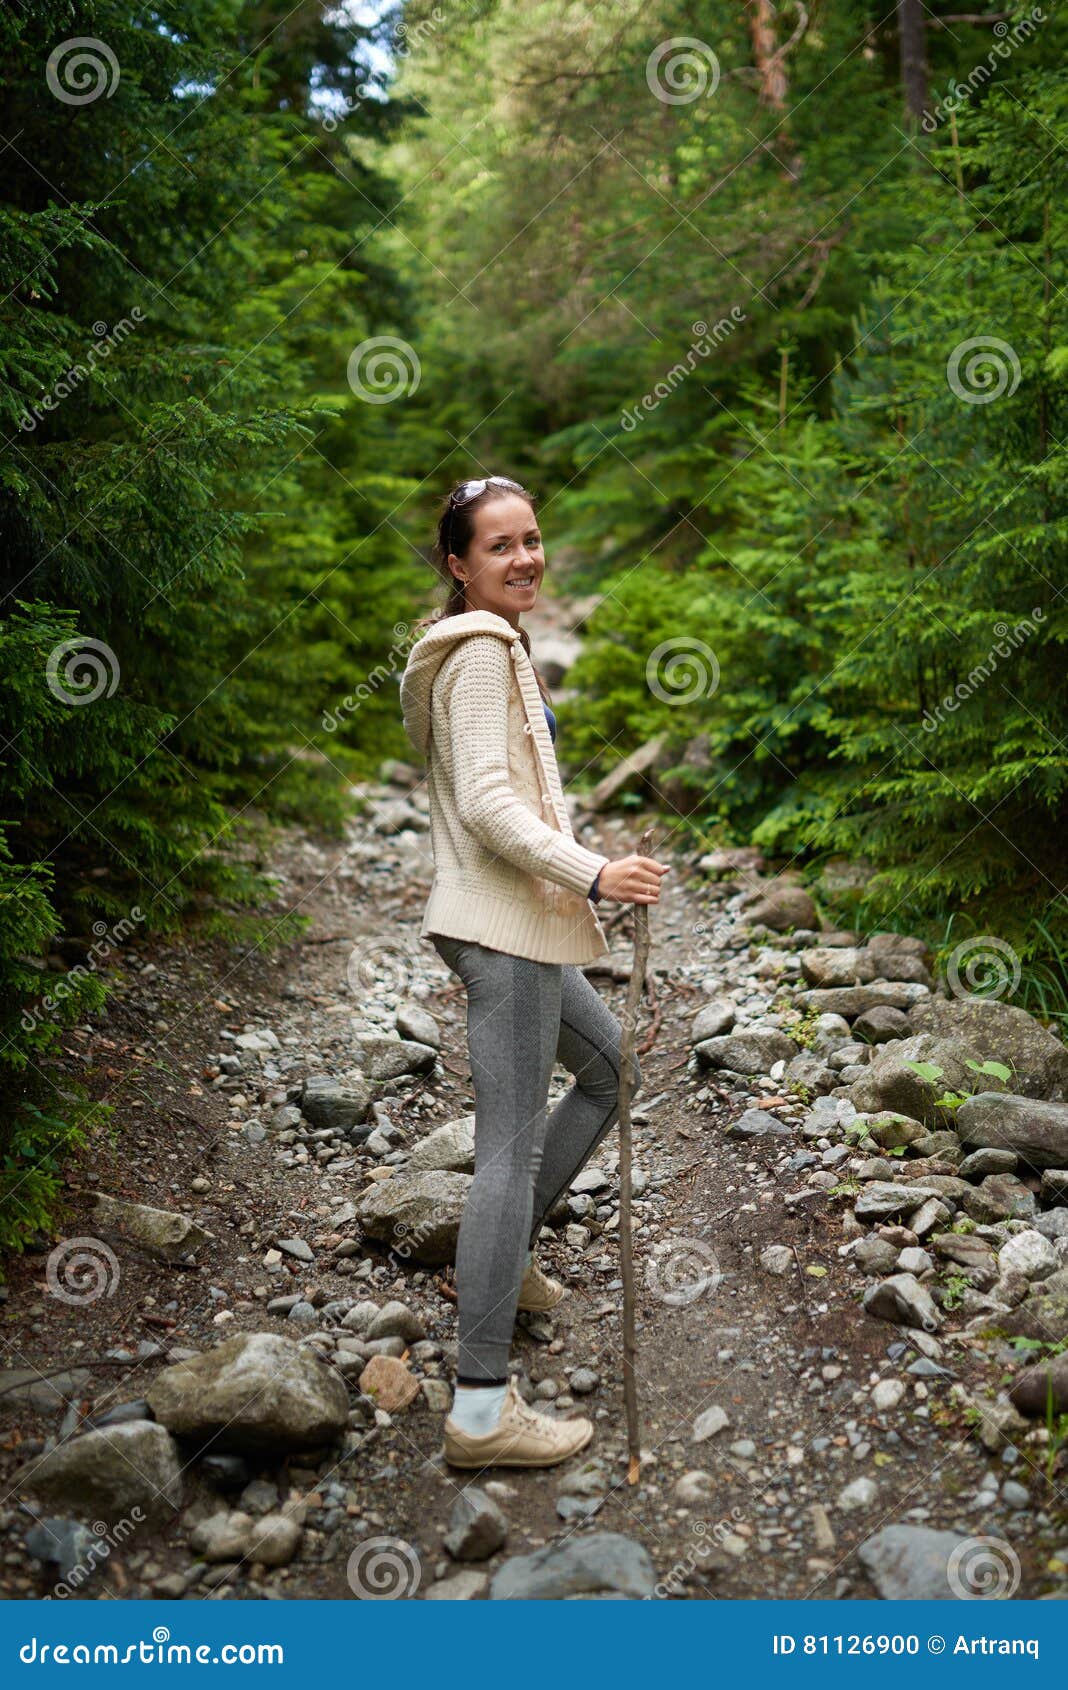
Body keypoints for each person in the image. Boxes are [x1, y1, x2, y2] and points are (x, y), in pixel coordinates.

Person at [399, 473, 670, 1469]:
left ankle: (500, 1263)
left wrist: (583, 869)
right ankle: (479, 1411)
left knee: (611, 1073)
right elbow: (485, 805)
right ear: (458, 565)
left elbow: (513, 797)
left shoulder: (493, 646)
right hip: (507, 933)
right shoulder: (478, 653)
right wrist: (595, 872)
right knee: (505, 1151)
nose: (525, 558)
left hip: (524, 923)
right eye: (499, 545)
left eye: (533, 538)